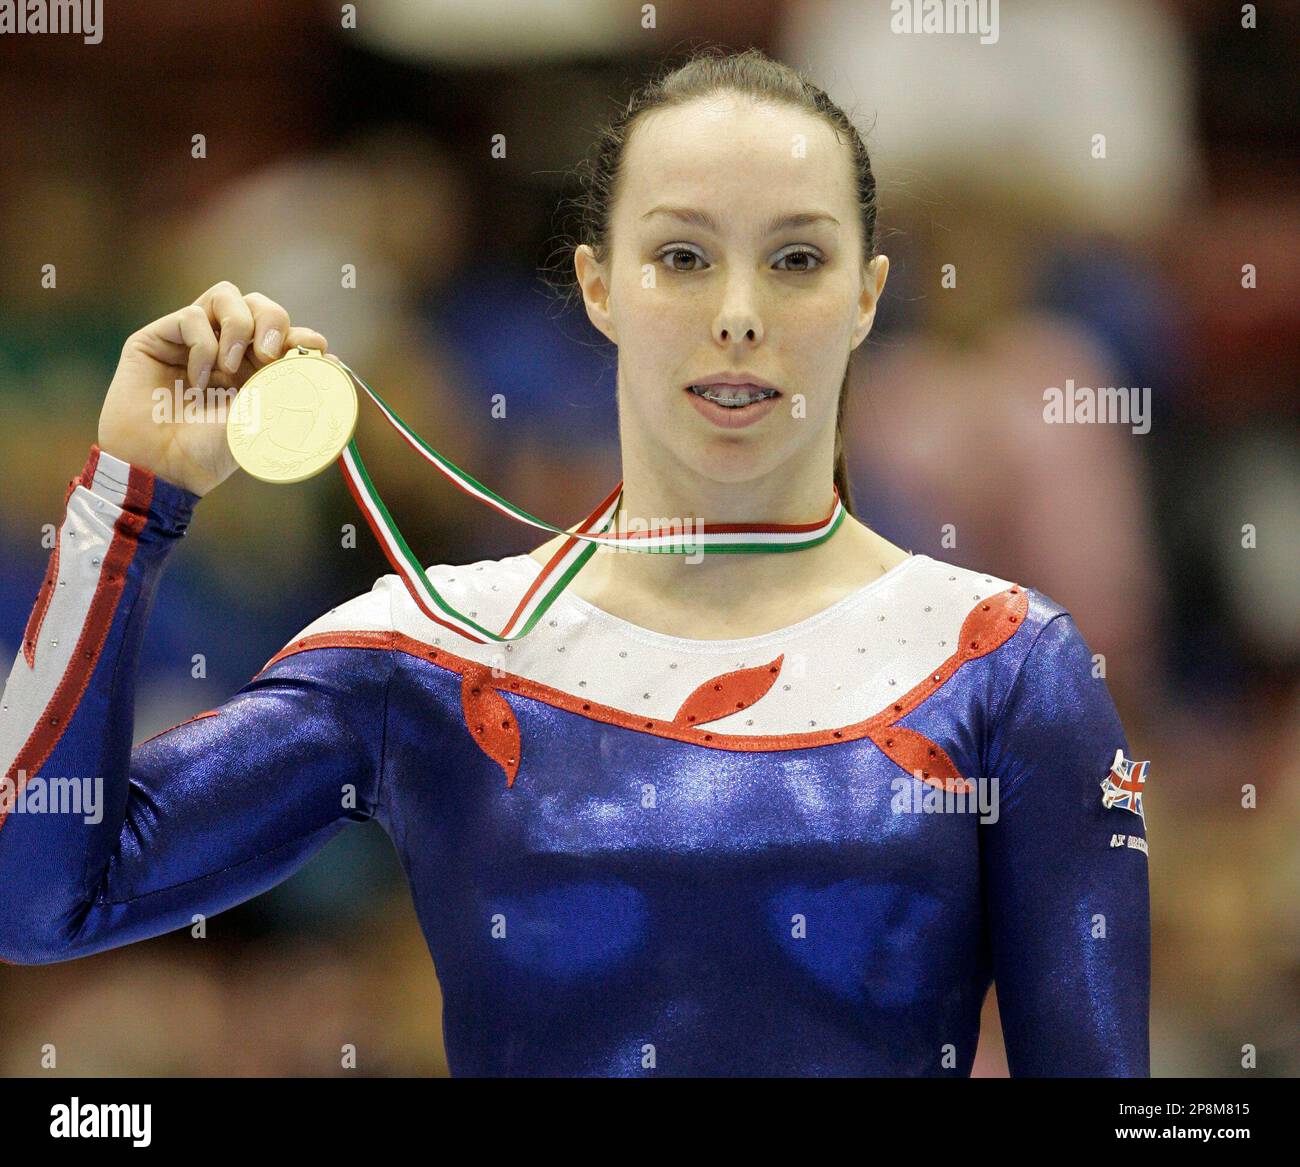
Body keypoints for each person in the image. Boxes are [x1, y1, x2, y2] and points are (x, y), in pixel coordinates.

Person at [0, 47, 1149, 1077]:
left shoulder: (1000, 664)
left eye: (795, 258)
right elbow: (39, 897)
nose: (738, 314)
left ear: (865, 297)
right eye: (682, 257)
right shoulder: (430, 652)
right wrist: (127, 502)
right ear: (599, 287)